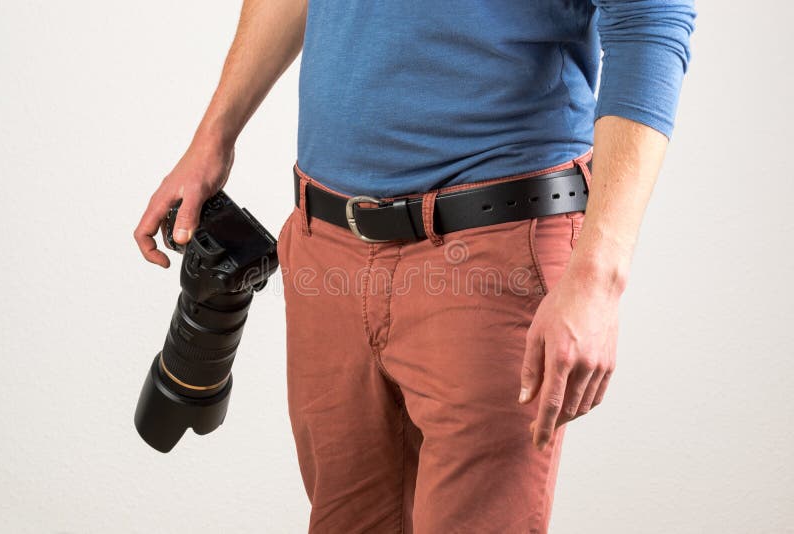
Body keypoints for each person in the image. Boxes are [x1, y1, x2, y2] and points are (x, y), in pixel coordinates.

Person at [134, 1, 696, 531]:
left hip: (493, 251)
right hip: (326, 244)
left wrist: (600, 277)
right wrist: (214, 137)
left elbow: (651, 22)